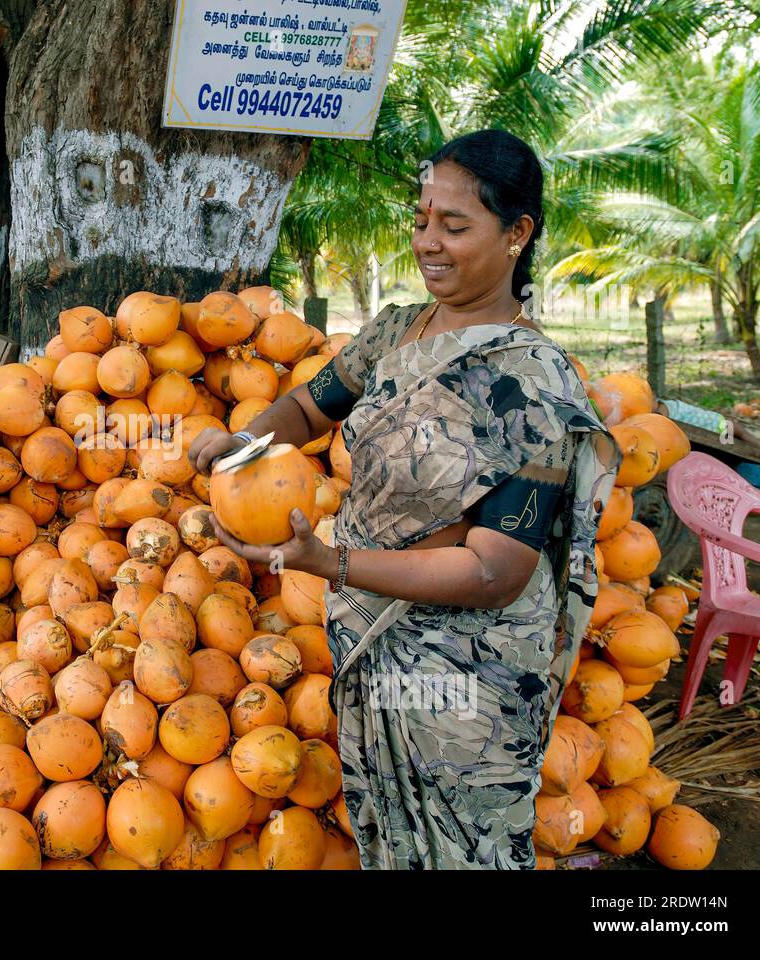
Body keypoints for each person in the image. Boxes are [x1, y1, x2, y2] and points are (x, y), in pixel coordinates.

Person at [189, 129, 619, 869]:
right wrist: (248, 443)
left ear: (518, 233)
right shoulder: (396, 330)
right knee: (390, 837)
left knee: (465, 852)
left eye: (456, 226)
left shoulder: (533, 385)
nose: (430, 242)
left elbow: (496, 571)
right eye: (422, 221)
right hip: (378, 642)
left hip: (468, 676)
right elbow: (307, 408)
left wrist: (331, 563)